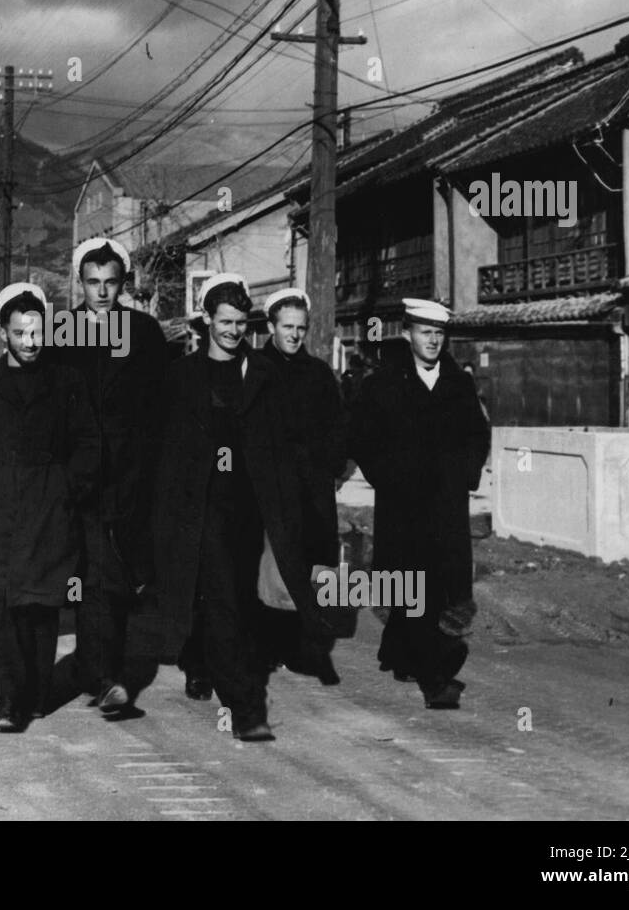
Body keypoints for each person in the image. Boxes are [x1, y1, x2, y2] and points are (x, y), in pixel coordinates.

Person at [150, 274, 313, 742]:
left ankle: (210, 668)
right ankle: (245, 707)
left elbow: (282, 441)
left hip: (250, 508)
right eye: (225, 322)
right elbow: (165, 448)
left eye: (241, 322)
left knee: (240, 603)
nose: (233, 331)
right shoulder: (181, 377)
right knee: (221, 602)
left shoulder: (262, 373)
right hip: (198, 510)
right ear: (206, 321)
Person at [0, 282, 99, 732]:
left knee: (40, 603)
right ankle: (9, 697)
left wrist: (67, 487)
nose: (31, 342)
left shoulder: (66, 380)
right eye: (20, 333)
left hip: (48, 503)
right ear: (3, 333)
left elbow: (88, 442)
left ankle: (34, 693)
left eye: (37, 333)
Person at [348, 298, 491, 710]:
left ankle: (409, 658)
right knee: (413, 586)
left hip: (445, 507)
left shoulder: (458, 383)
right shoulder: (383, 382)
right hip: (402, 506)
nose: (432, 340)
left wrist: (463, 473)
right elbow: (362, 438)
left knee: (443, 588)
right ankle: (435, 679)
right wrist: (388, 477)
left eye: (439, 333)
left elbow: (477, 436)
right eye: (425, 332)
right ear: (408, 333)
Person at [49, 238, 167, 712]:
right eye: (93, 283)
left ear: (123, 283)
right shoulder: (63, 330)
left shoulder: (143, 332)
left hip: (128, 473)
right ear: (80, 283)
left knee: (112, 574)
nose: (102, 292)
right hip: (73, 473)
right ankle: (97, 672)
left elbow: (162, 402)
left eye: (111, 283)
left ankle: (103, 672)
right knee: (84, 574)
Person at [257, 287, 350, 685]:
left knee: (309, 564)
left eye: (300, 328)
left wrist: (332, 468)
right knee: (271, 568)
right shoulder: (254, 370)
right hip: (267, 487)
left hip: (311, 487)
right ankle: (266, 646)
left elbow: (338, 427)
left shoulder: (318, 374)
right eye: (287, 327)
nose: (294, 335)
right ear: (271, 327)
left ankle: (298, 647)